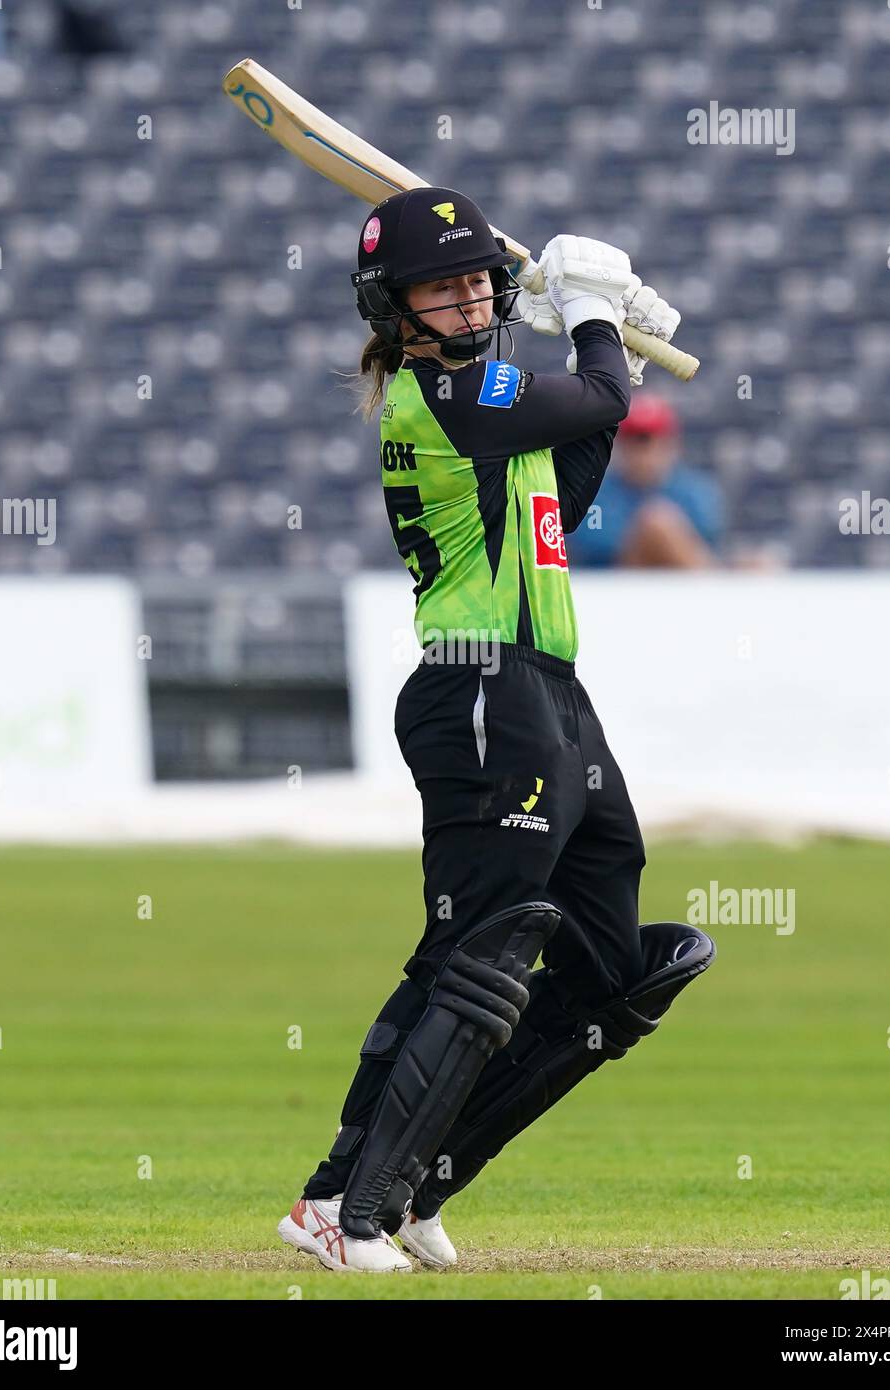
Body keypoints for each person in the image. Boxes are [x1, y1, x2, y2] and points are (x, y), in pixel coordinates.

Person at [279, 188, 715, 1273]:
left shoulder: (501, 410)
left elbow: (582, 443)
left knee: (612, 965)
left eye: (479, 277)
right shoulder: (448, 394)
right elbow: (597, 386)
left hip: (550, 690)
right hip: (478, 690)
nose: (469, 293)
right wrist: (595, 313)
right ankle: (339, 1200)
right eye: (443, 282)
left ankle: (423, 1178)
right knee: (476, 946)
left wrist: (596, 317)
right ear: (398, 312)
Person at [568, 393, 723, 568]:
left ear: (671, 443)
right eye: (634, 440)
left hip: (683, 585)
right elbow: (597, 550)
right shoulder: (595, 493)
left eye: (650, 441)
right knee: (657, 524)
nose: (643, 453)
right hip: (617, 587)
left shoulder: (695, 490)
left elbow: (709, 544)